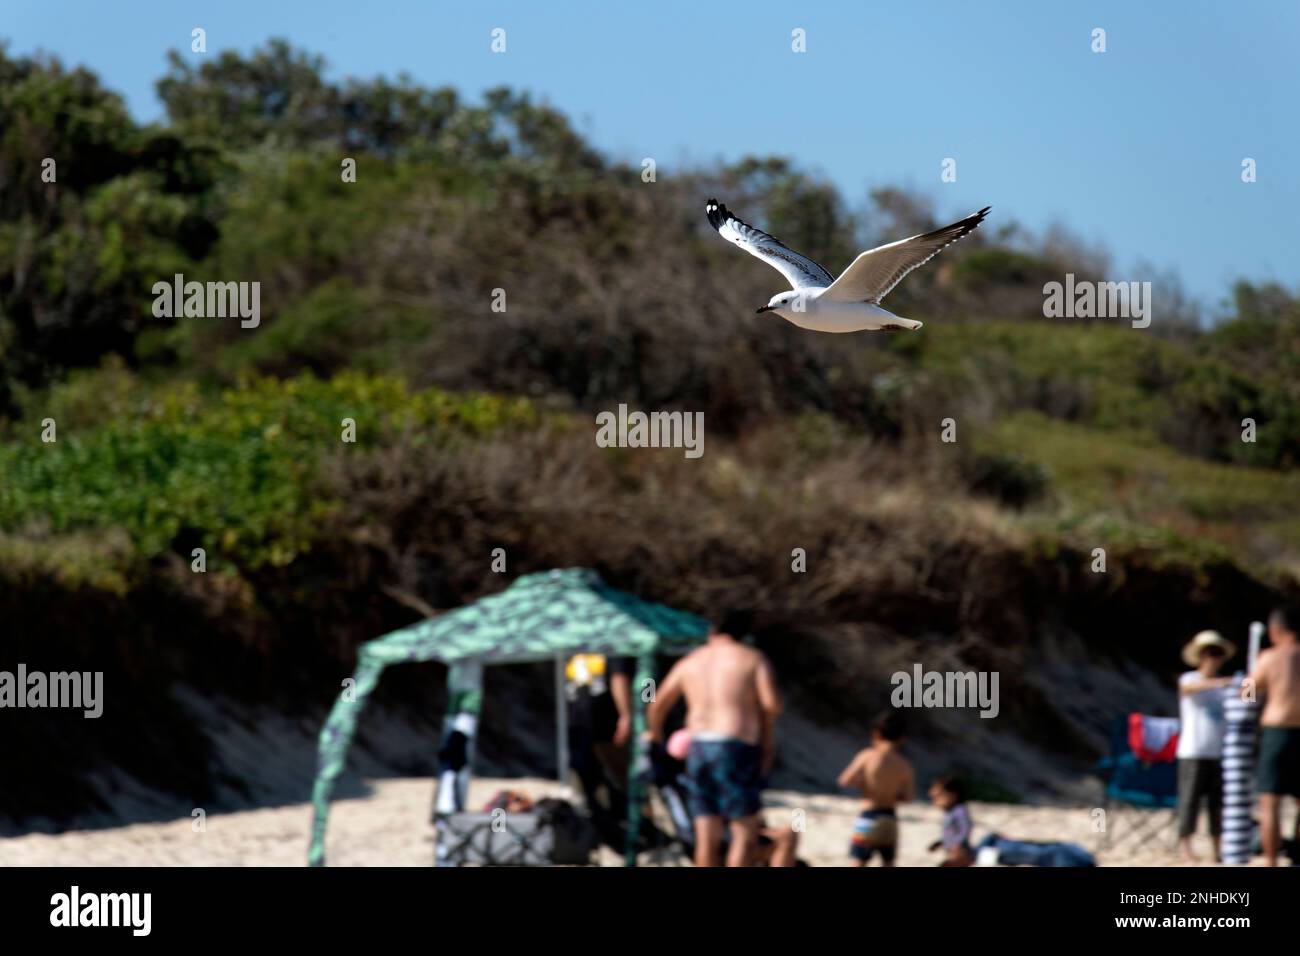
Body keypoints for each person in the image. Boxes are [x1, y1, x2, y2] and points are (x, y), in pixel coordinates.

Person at [645, 611, 783, 867]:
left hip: (698, 747)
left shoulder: (690, 661)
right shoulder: (752, 658)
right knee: (743, 830)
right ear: (744, 635)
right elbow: (772, 705)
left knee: (706, 832)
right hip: (734, 746)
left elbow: (656, 705)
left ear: (712, 632)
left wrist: (654, 737)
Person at [1176, 629, 1235, 862]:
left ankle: (1216, 849)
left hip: (1219, 753)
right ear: (1200, 655)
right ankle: (1185, 848)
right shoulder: (1189, 679)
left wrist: (1249, 681)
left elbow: (1251, 699)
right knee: (1189, 802)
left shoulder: (1227, 686)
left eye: (1217, 652)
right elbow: (1188, 690)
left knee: (1217, 806)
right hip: (1193, 750)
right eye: (1209, 652)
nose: (1213, 657)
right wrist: (1222, 682)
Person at [565, 652, 634, 844]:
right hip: (602, 726)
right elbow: (621, 678)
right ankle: (624, 828)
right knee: (622, 779)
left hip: (578, 723)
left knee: (590, 783)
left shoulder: (573, 646)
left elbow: (645, 684)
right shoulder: (613, 645)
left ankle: (603, 830)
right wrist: (628, 715)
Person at [1250, 604, 1300, 866]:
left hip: (1277, 731)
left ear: (1276, 629)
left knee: (1270, 803)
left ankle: (1271, 861)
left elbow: (1248, 692)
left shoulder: (1271, 656)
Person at [837, 711, 915, 867]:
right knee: (888, 862)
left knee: (858, 861)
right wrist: (893, 794)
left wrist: (864, 784)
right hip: (890, 818)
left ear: (876, 734)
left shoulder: (868, 756)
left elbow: (844, 780)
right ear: (902, 738)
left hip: (869, 816)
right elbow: (908, 797)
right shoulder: (904, 764)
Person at [928, 775, 974, 866]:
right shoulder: (949, 812)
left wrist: (958, 843)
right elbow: (950, 833)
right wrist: (940, 842)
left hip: (960, 853)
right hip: (951, 852)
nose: (935, 802)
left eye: (938, 797)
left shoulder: (959, 810)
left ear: (953, 795)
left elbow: (966, 826)